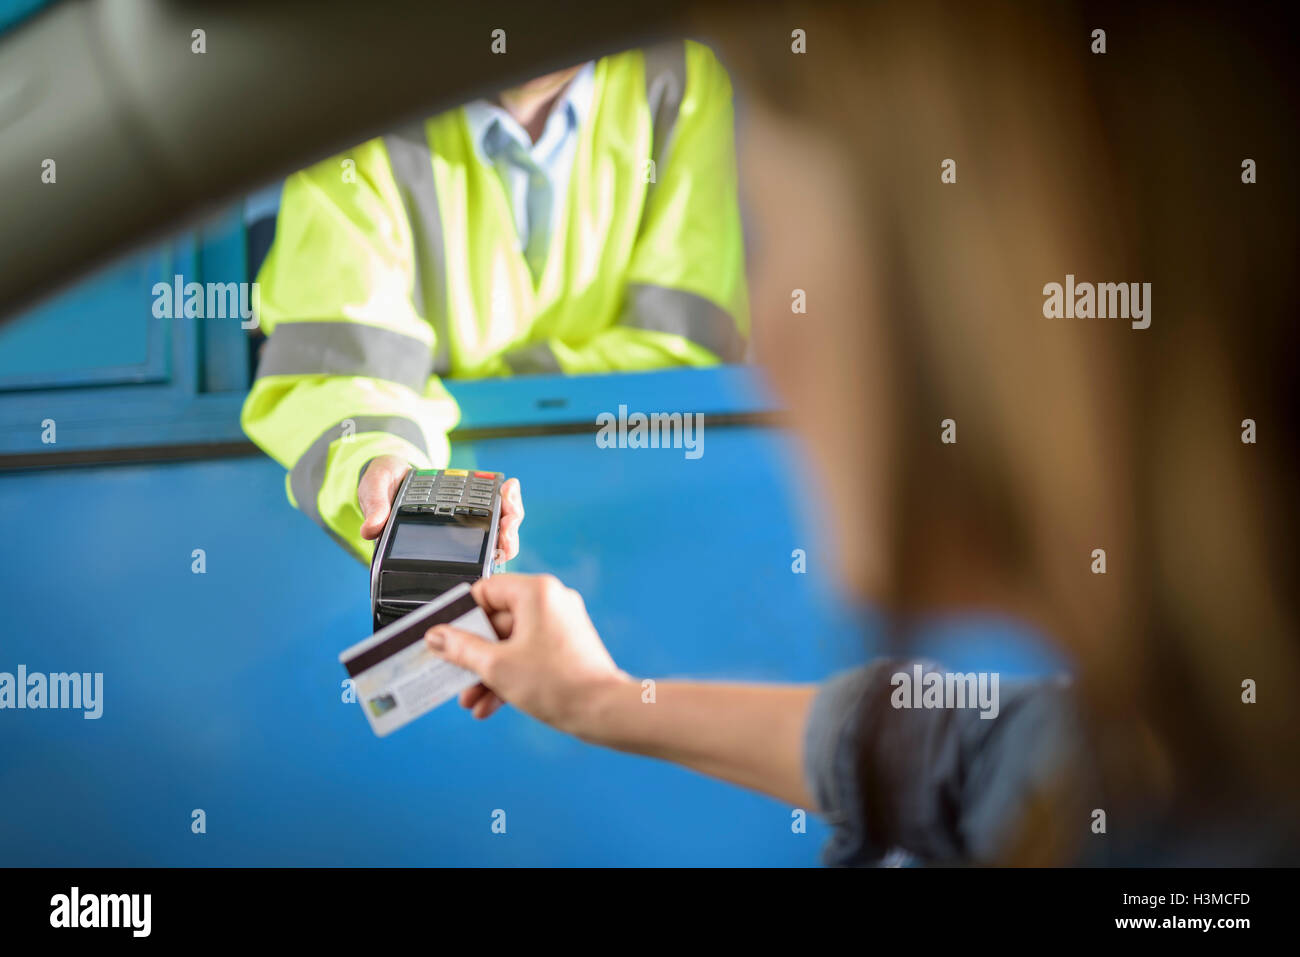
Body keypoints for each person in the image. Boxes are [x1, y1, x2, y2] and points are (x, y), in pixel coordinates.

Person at [417, 0, 1300, 865]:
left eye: (772, 241)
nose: (763, 339)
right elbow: (950, 753)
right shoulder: (1160, 756)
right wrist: (597, 697)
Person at [242, 41, 748, 561]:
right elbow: (334, 366)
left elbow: (684, 343)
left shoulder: (679, 76)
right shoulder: (355, 102)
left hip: (641, 524)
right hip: (473, 533)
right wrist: (381, 460)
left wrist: (447, 393)